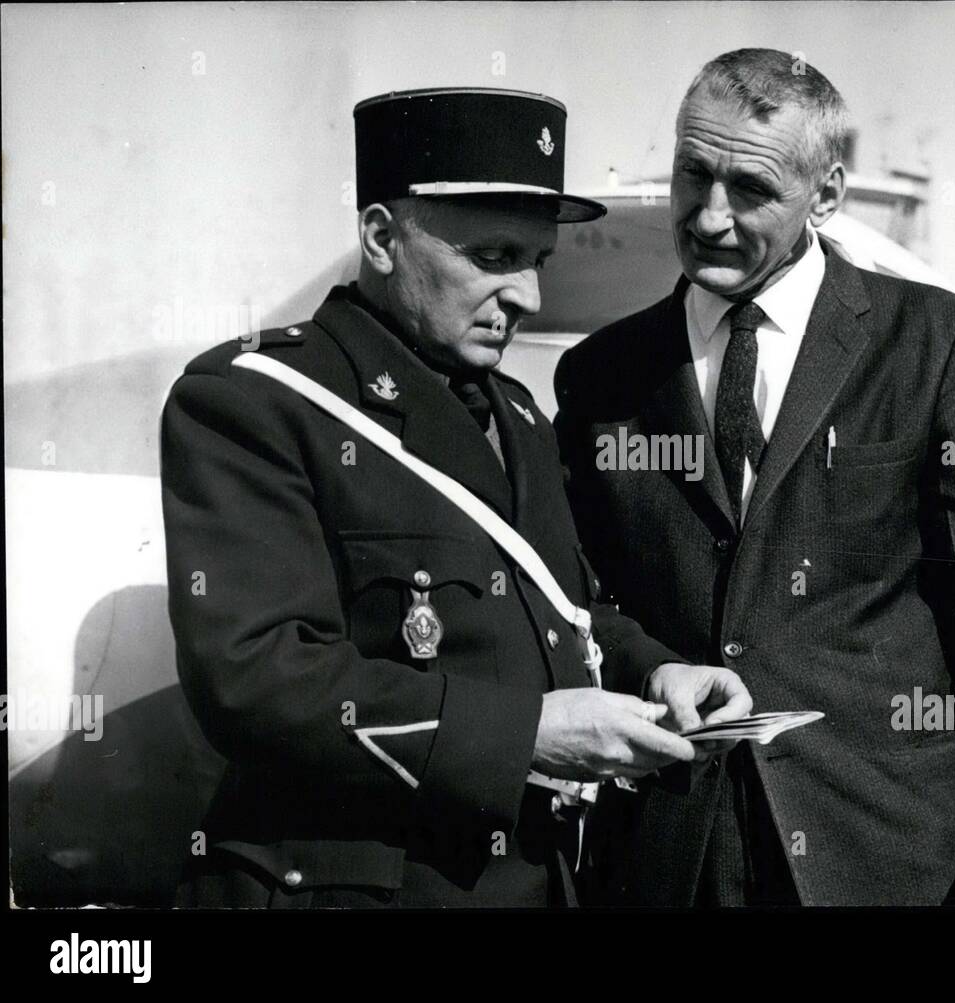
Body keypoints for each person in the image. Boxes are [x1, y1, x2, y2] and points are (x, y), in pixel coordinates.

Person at [554, 50, 955, 906]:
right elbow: (577, 598)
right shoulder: (601, 375)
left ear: (828, 194)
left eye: (750, 190)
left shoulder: (937, 344)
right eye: (692, 174)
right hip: (672, 856)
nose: (707, 216)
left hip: (889, 853)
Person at [162, 87, 749, 908]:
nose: (529, 297)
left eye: (536, 261)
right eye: (495, 256)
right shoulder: (255, 400)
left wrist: (658, 672)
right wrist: (530, 736)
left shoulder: (515, 415)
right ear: (380, 238)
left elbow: (564, 612)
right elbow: (257, 680)